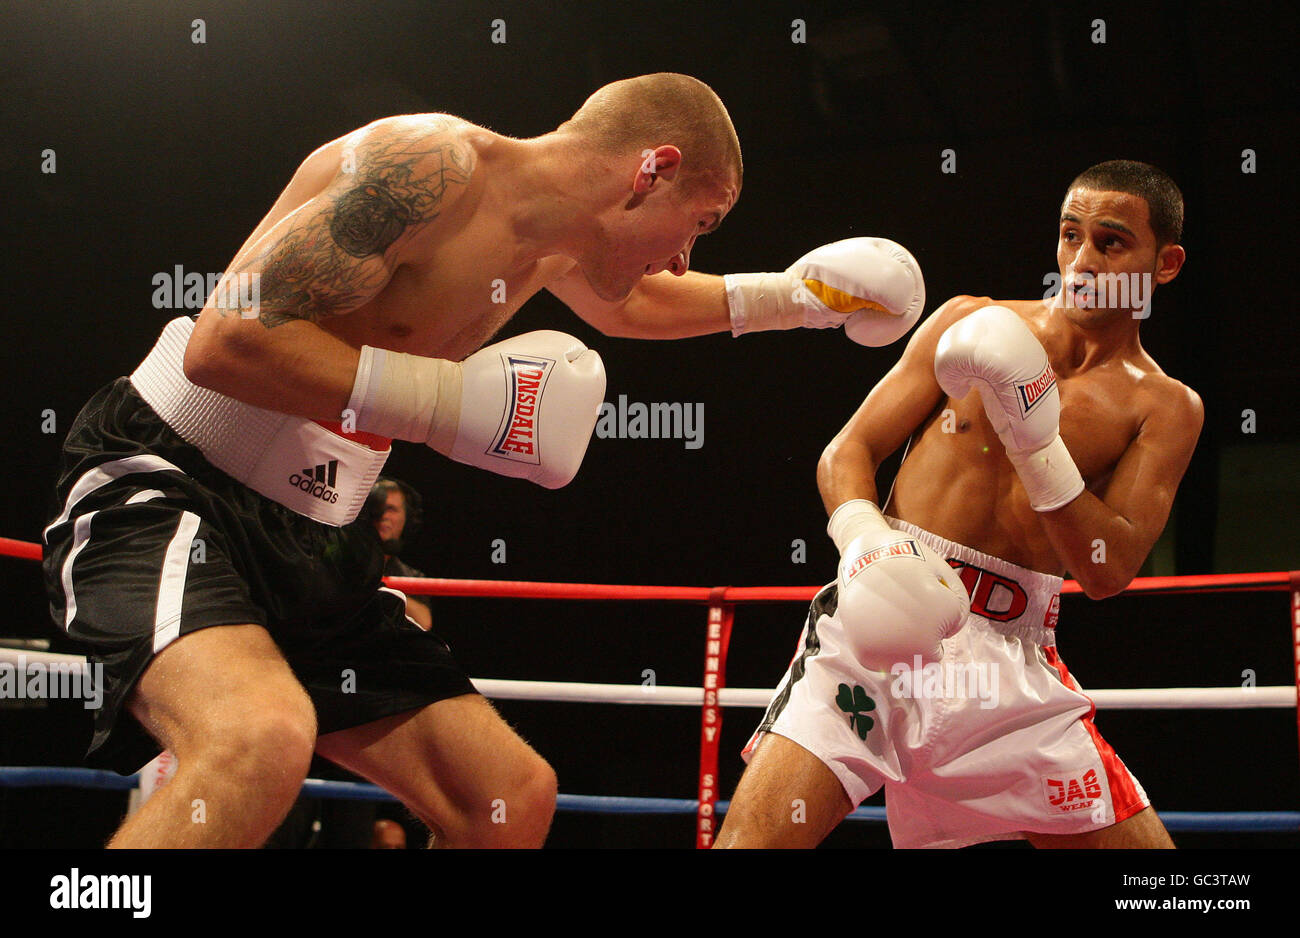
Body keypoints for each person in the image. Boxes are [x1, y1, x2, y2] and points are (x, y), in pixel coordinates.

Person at [41, 72, 925, 848]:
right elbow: (224, 343)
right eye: (697, 221)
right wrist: (443, 405)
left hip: (316, 536)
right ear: (650, 169)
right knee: (256, 741)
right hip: (174, 485)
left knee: (505, 797)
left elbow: (635, 302)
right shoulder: (426, 167)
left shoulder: (552, 243)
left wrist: (799, 299)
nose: (687, 254)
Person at [715, 160, 1202, 849]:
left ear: (1167, 262)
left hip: (1013, 660)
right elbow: (846, 453)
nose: (1083, 260)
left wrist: (1037, 444)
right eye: (1071, 235)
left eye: (1111, 242)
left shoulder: (1166, 406)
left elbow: (1108, 569)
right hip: (879, 621)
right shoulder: (971, 319)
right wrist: (865, 544)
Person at [368, 476, 432, 630]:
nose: (384, 515)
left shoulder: (411, 576)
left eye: (391, 509)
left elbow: (424, 622)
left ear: (406, 518)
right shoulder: (345, 558)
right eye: (378, 507)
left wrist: (377, 586)